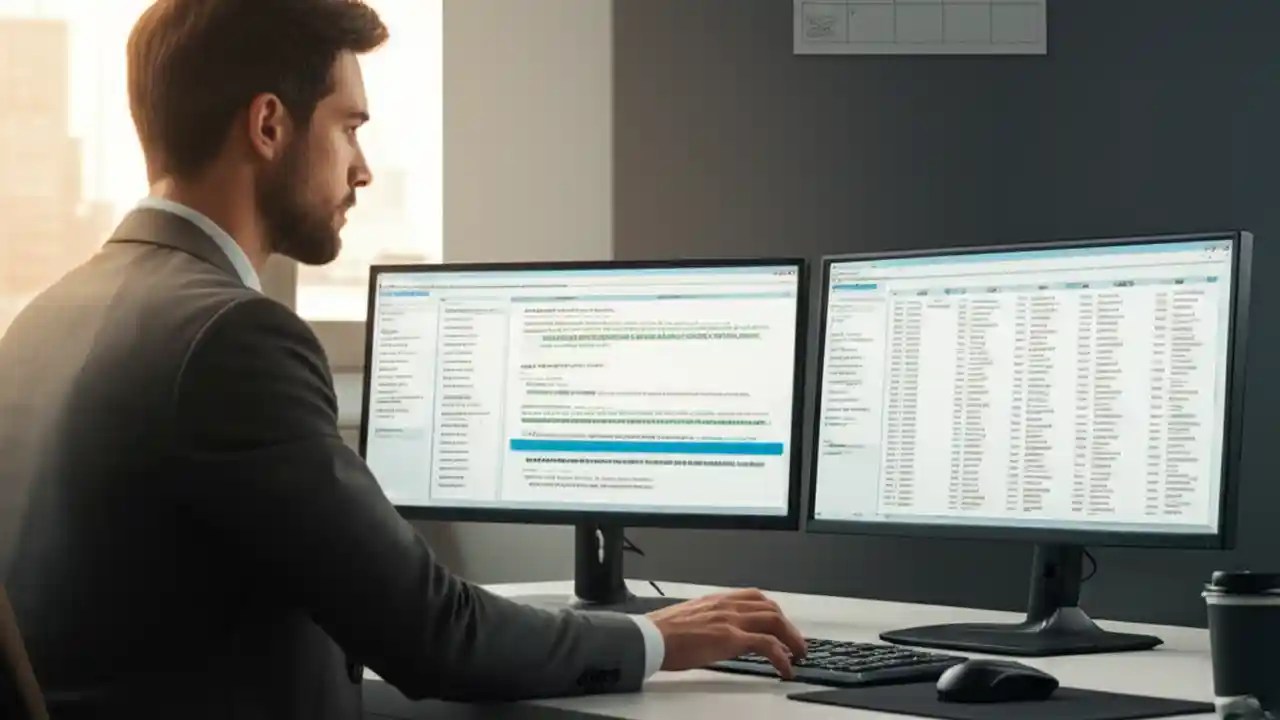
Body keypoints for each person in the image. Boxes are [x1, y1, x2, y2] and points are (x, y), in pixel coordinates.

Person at [0, 1, 806, 718]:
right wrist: (651, 639)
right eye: (350, 127)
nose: (363, 168)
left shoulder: (43, 320)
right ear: (270, 125)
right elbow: (434, 636)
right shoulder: (231, 336)